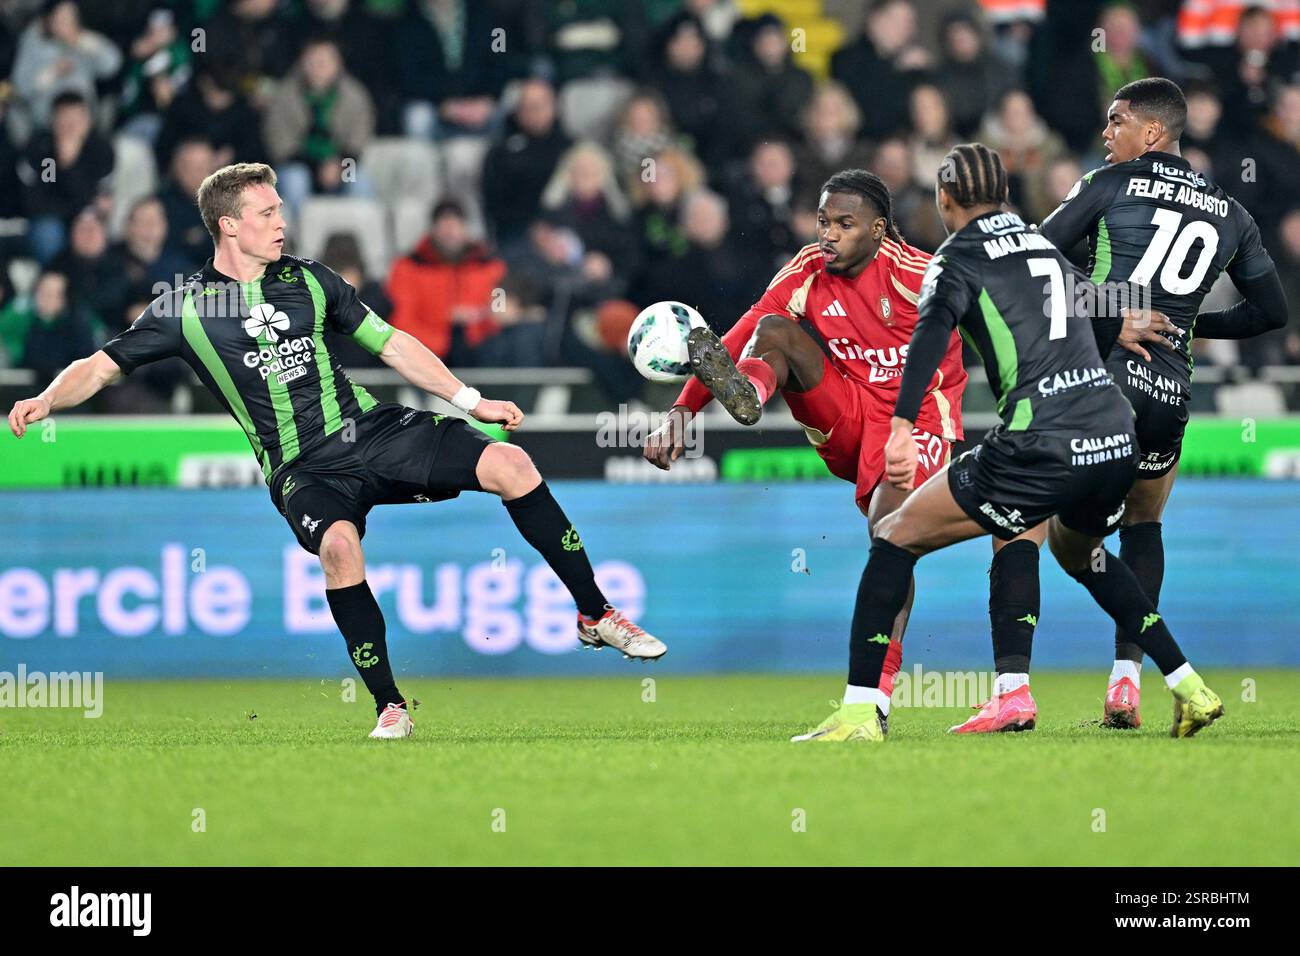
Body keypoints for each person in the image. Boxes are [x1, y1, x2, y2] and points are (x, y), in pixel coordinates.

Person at [7, 163, 666, 740]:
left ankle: (595, 611)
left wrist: (471, 400)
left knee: (512, 464)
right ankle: (390, 708)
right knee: (340, 550)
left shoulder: (312, 281)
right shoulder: (185, 310)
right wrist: (45, 400)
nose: (280, 223)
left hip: (371, 434)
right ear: (228, 226)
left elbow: (391, 343)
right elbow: (101, 366)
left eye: (280, 212)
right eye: (266, 213)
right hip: (301, 470)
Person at [789, 143, 1225, 743]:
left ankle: (861, 714)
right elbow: (1091, 303)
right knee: (1082, 555)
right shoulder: (1039, 243)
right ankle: (1188, 685)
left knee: (892, 538)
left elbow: (928, 339)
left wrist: (899, 426)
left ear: (945, 200)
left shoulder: (956, 257)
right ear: (1006, 194)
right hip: (1112, 433)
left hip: (1038, 441)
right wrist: (1124, 314)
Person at [643, 170, 968, 726]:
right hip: (846, 417)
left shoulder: (922, 273)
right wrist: (680, 412)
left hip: (916, 424)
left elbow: (1004, 311)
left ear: (879, 230)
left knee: (889, 536)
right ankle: (750, 393)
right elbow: (745, 326)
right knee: (772, 328)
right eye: (823, 222)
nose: (829, 235)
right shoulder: (807, 269)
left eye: (845, 224)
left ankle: (875, 699)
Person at [1038, 78, 1288, 728]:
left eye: (1116, 120)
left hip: (1098, 381)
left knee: (1051, 537)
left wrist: (1110, 309)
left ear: (1152, 132)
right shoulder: (1232, 213)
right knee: (1144, 525)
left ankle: (1012, 685)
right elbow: (1271, 313)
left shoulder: (1107, 182)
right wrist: (1189, 326)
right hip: (1170, 395)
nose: (1105, 132)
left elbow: (1035, 261)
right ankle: (1126, 682)